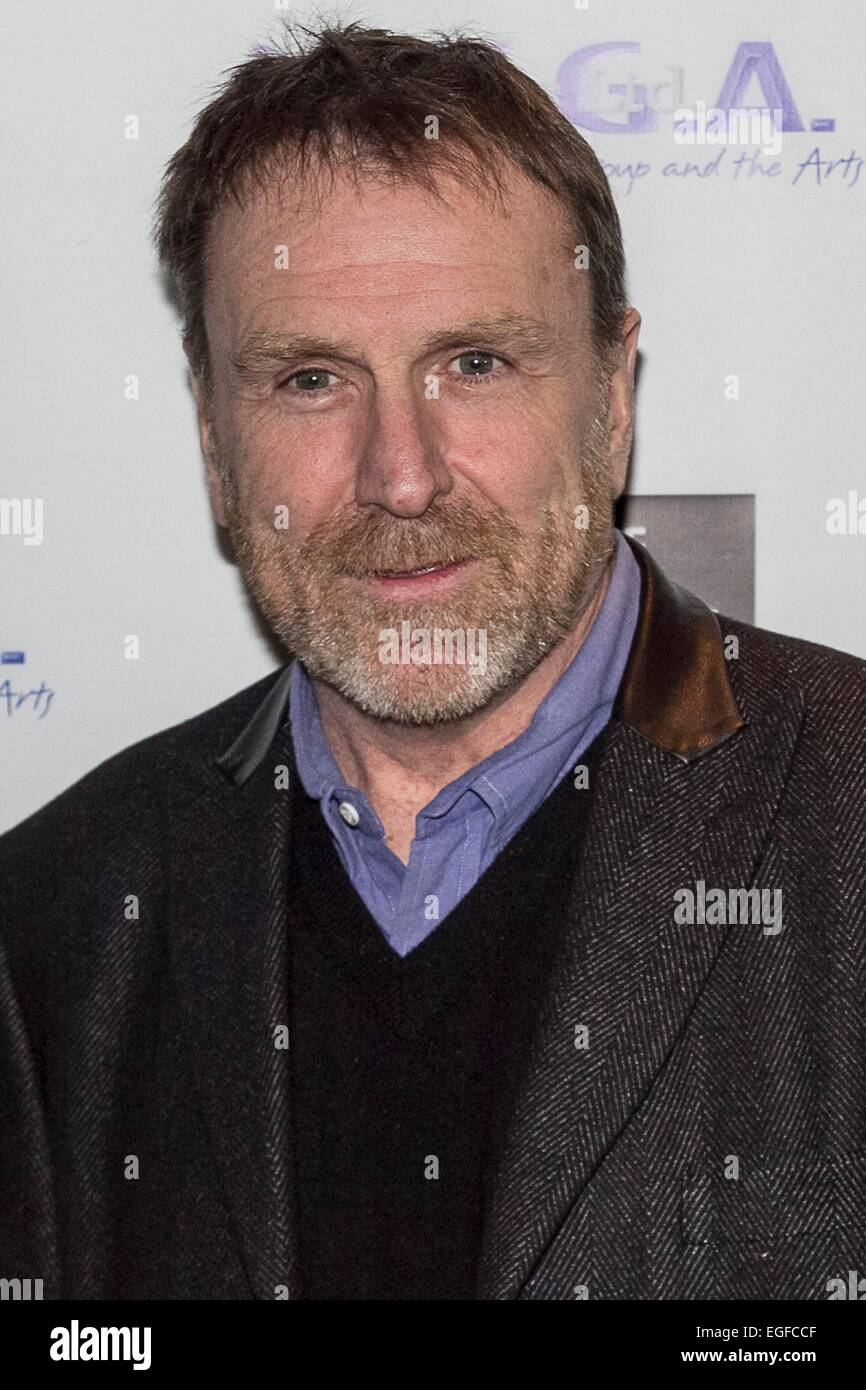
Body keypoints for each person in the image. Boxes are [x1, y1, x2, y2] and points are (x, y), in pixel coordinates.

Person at [2, 21, 864, 1302]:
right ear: (211, 438)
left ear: (612, 396)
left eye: (474, 362)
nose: (398, 475)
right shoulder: (56, 919)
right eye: (308, 379)